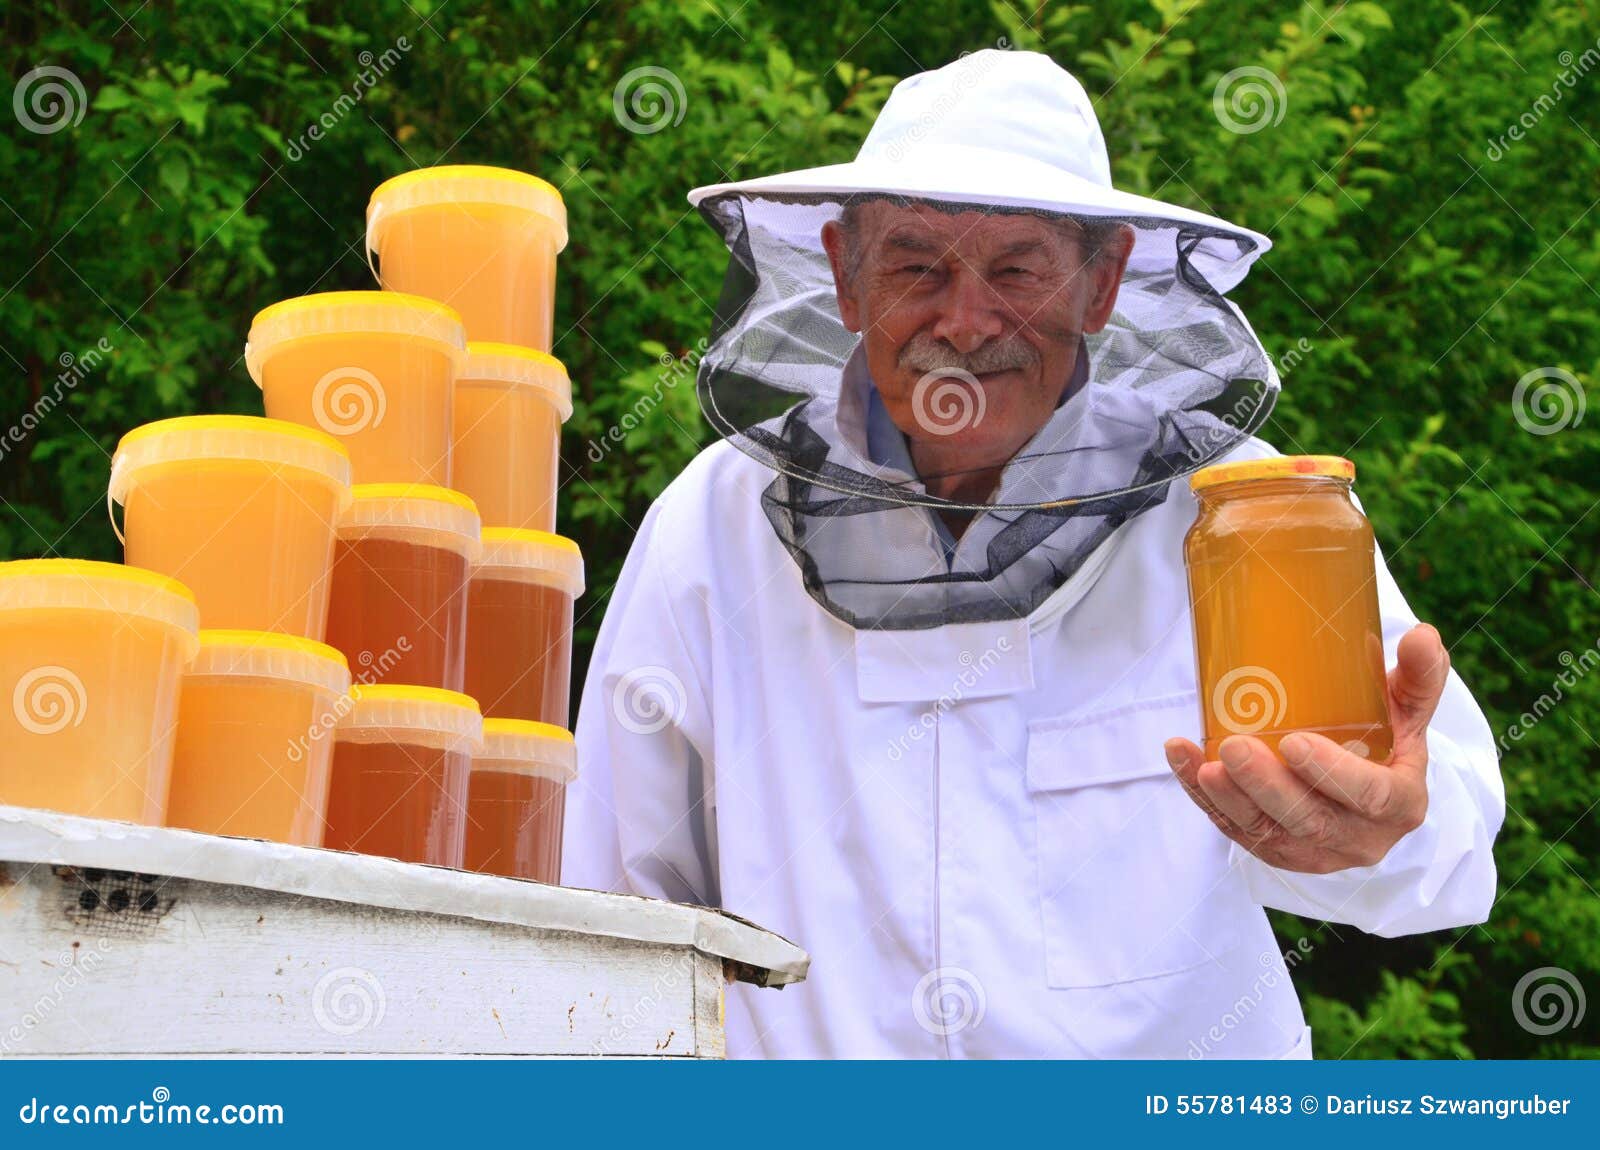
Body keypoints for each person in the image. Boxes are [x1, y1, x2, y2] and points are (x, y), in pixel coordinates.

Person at [564, 50, 1504, 1058]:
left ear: (1100, 283)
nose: (965, 321)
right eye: (916, 264)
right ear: (843, 274)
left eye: (1017, 268)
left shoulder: (1249, 512)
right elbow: (609, 912)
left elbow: (1439, 841)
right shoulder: (711, 525)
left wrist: (1378, 826)